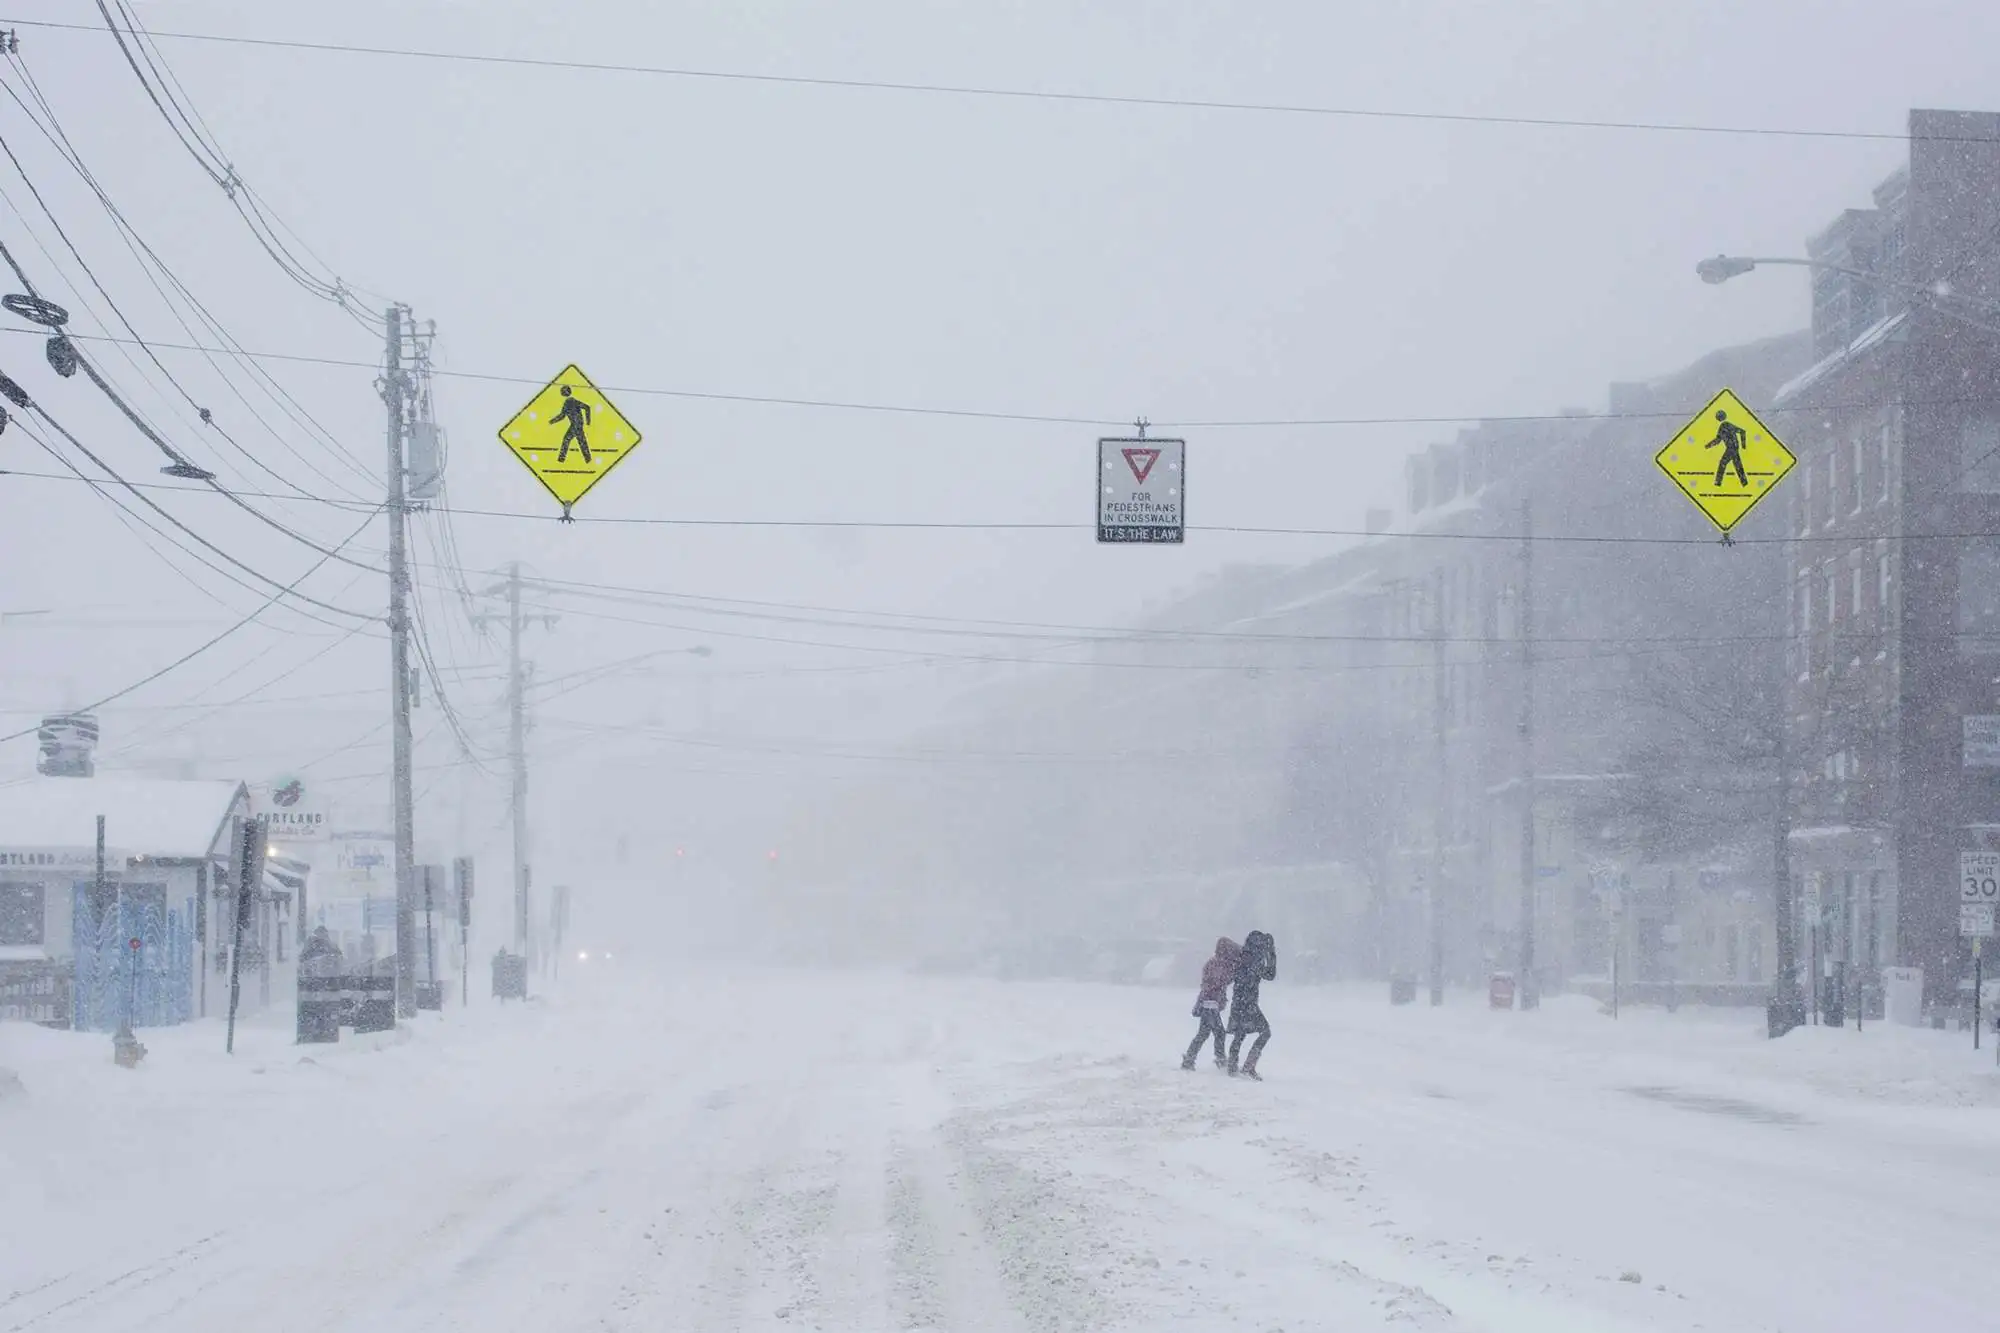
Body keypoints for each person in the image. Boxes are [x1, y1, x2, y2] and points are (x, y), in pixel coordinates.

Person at [1182, 937, 1241, 1070]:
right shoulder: (1217, 964)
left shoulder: (1216, 963)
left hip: (1208, 1002)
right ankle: (1219, 1060)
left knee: (1204, 1033)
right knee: (1218, 1033)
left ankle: (1189, 1059)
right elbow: (1219, 981)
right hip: (1210, 1003)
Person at [1226, 930, 1278, 1080]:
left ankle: (1233, 1066)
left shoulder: (1242, 957)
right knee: (1264, 1032)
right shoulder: (1254, 960)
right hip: (1248, 1003)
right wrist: (1271, 954)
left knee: (1239, 1035)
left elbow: (1268, 975)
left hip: (1240, 1002)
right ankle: (1247, 1066)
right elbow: (1270, 975)